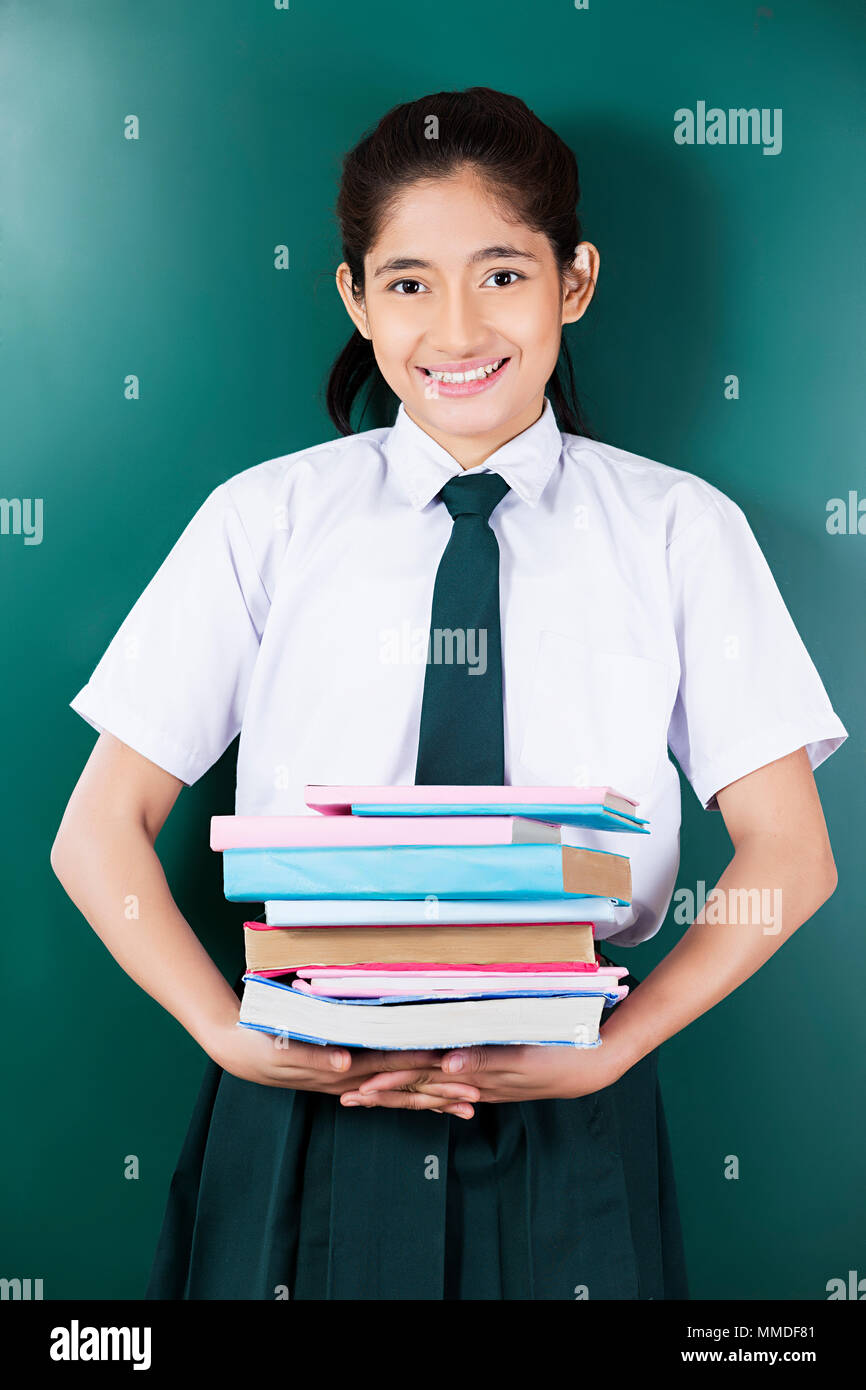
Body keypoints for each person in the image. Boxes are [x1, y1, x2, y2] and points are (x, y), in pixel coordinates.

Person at [51, 86, 846, 1301]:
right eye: (409, 283)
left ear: (574, 281)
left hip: (567, 1103)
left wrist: (611, 1050)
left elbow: (789, 854)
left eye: (502, 275)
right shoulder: (264, 520)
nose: (456, 327)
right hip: (304, 1102)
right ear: (354, 299)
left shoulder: (678, 530)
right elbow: (97, 829)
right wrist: (226, 1033)